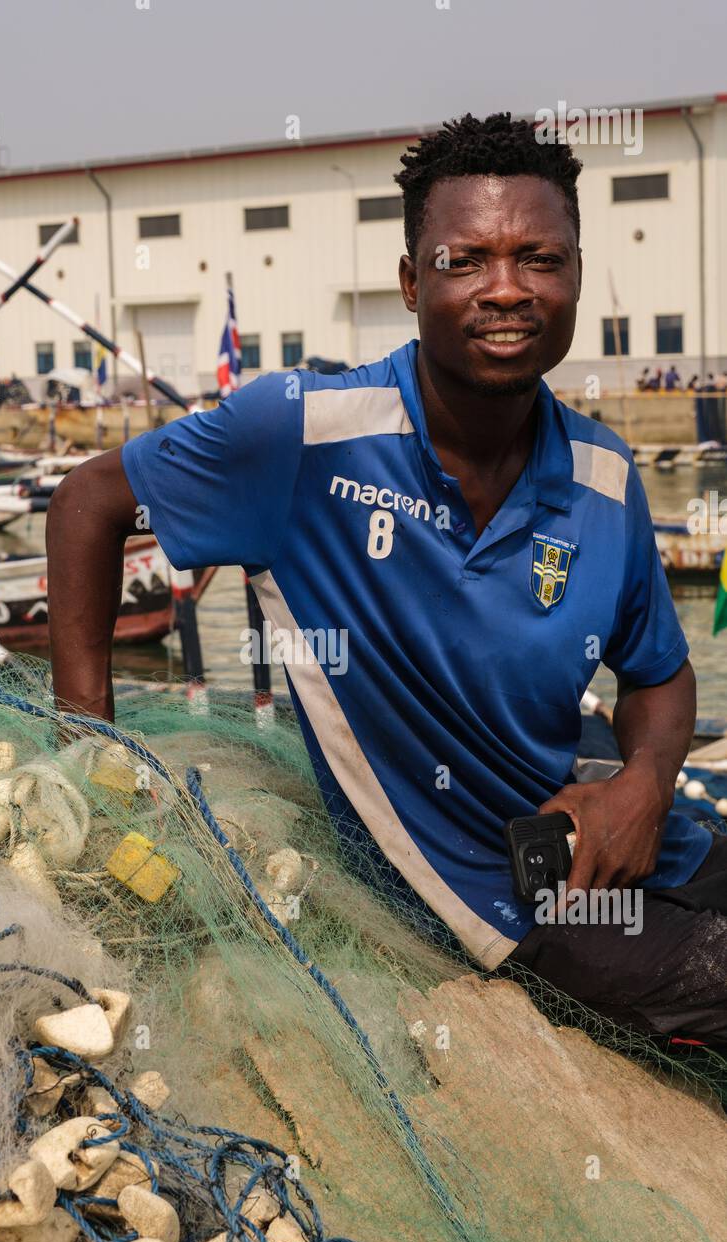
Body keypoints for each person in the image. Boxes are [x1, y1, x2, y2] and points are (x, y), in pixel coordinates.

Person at [47, 112, 727, 1042]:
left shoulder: (604, 476)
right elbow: (89, 502)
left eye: (540, 259)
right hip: (496, 900)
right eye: (466, 261)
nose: (507, 290)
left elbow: (658, 671)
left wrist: (647, 782)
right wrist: (88, 756)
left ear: (574, 275)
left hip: (610, 836)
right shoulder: (303, 435)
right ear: (412, 282)